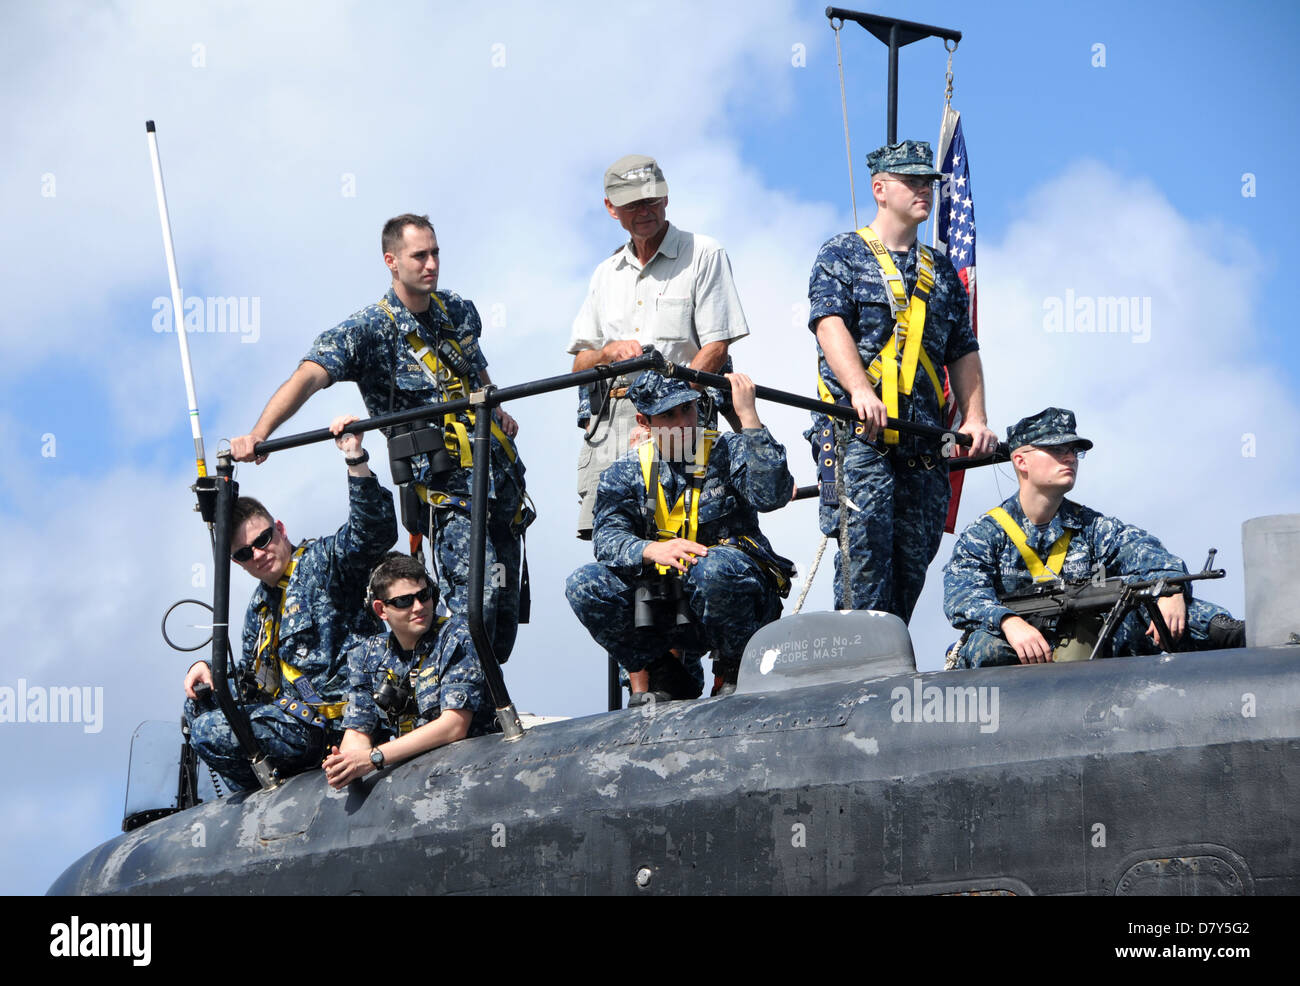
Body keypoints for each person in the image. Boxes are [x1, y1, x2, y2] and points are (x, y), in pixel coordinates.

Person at [230, 214, 529, 662]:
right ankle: (459, 709)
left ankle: (485, 703)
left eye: (435, 253)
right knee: (475, 603)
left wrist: (496, 407)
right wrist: (259, 433)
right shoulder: (369, 330)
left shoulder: (457, 311)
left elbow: (473, 365)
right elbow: (309, 376)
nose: (431, 264)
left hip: (497, 483)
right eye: (419, 256)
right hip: (447, 491)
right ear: (391, 261)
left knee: (503, 617)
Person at [807, 139, 999, 622]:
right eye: (911, 182)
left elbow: (963, 350)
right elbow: (830, 325)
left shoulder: (942, 273)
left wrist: (975, 418)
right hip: (859, 434)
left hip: (923, 441)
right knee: (865, 559)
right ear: (880, 189)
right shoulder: (843, 255)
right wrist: (859, 391)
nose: (923, 191)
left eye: (927, 183)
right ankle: (851, 671)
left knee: (911, 566)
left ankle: (887, 668)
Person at [183, 417, 397, 791]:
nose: (259, 555)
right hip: (294, 721)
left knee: (210, 730)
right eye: (244, 554)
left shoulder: (322, 562)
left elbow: (370, 535)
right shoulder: (260, 609)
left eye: (264, 540)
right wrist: (211, 674)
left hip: (347, 717)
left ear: (279, 529)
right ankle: (266, 799)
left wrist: (354, 458)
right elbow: (255, 685)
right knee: (200, 709)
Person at [943, 407, 1247, 668]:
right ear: (1022, 461)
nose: (1070, 458)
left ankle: (1251, 639)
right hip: (1017, 649)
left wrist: (1169, 588)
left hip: (1085, 643)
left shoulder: (1091, 527)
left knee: (1158, 609)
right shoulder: (986, 534)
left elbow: (1145, 552)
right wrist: (1008, 622)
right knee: (988, 645)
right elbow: (963, 596)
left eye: (1074, 451)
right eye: (1056, 450)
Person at [565, 372, 793, 701]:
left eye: (688, 409)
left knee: (709, 568)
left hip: (733, 597)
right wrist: (651, 549)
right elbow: (607, 538)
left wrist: (749, 419)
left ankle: (734, 668)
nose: (684, 422)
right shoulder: (626, 471)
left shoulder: (726, 449)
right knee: (584, 584)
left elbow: (772, 495)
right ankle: (665, 674)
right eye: (669, 415)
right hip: (669, 606)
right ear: (645, 421)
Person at [568, 154, 750, 540]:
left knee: (687, 537)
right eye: (632, 203)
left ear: (666, 199)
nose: (644, 210)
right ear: (611, 209)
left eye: (651, 199)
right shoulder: (605, 273)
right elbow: (580, 363)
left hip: (679, 417)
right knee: (614, 545)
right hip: (613, 418)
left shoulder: (703, 253)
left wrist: (665, 413)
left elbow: (716, 346)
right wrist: (608, 352)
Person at [322, 553, 499, 788]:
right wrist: (345, 763)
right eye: (404, 601)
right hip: (418, 778)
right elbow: (358, 731)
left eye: (424, 596)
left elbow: (454, 726)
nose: (419, 607)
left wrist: (373, 758)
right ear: (381, 610)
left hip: (475, 771)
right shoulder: (367, 656)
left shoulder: (457, 637)